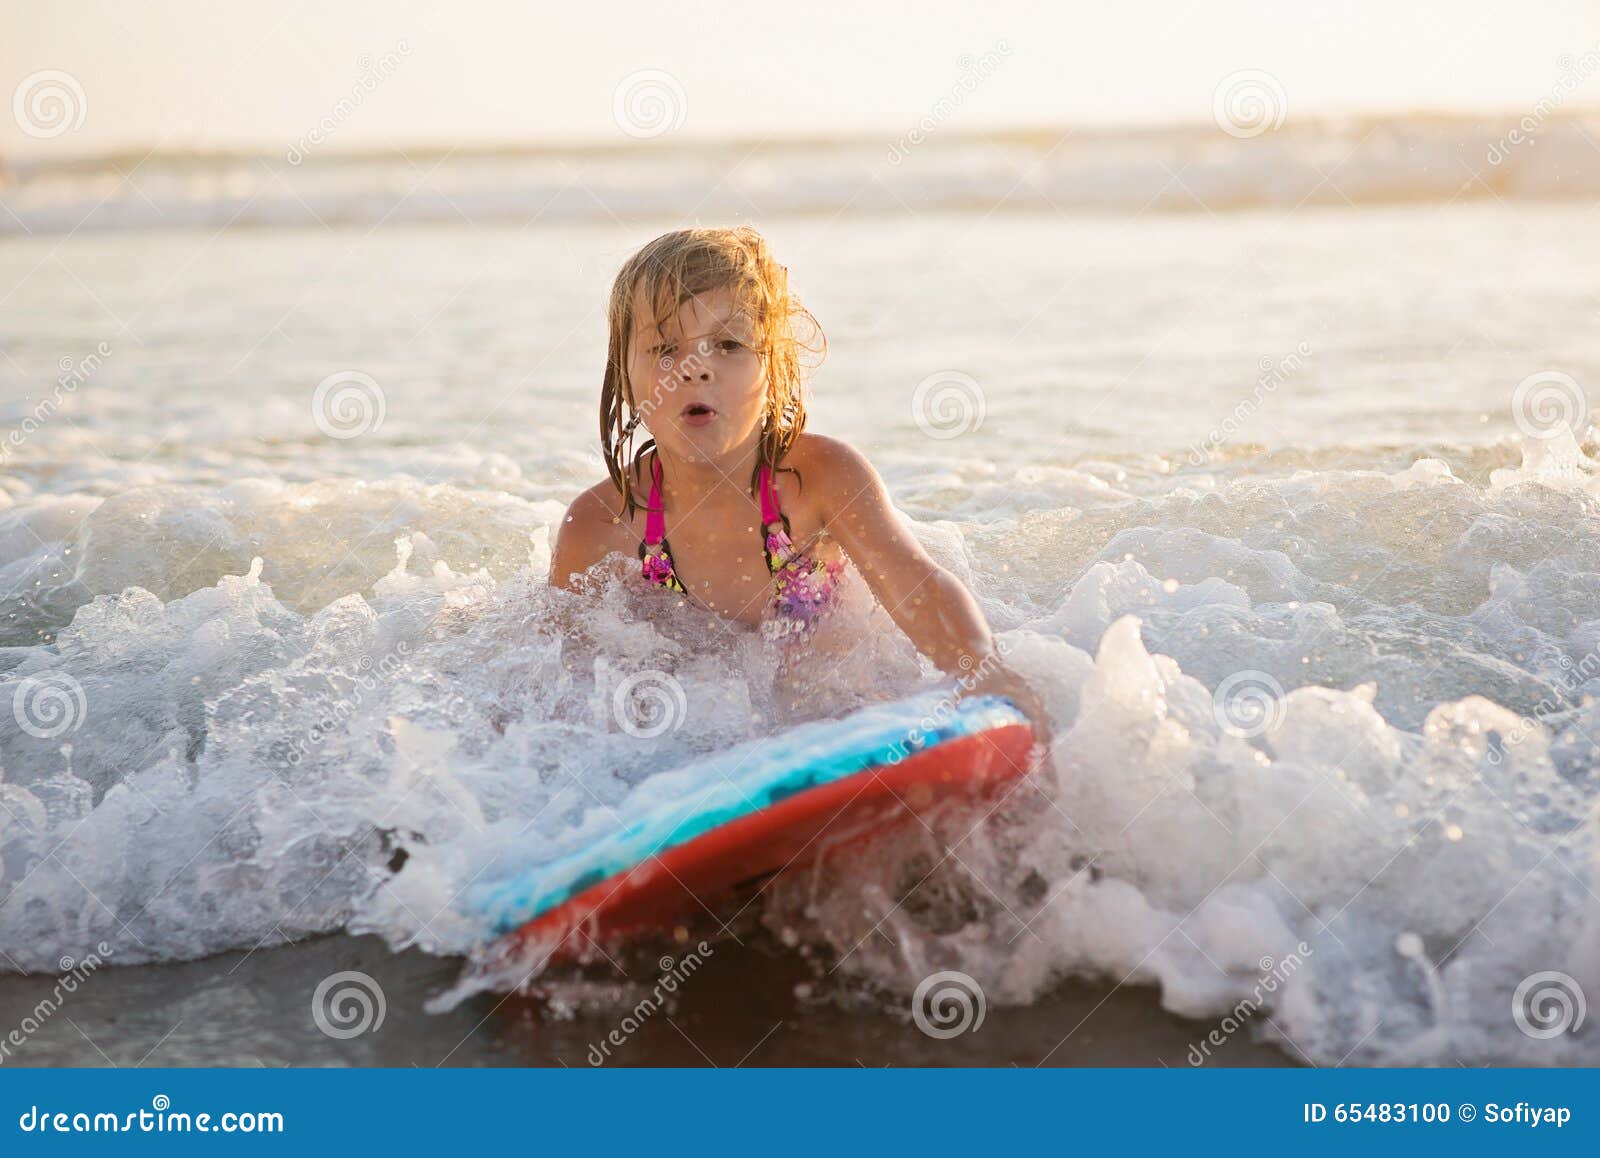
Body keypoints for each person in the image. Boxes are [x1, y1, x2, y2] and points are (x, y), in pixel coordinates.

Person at [550, 226, 1048, 741]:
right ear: (625, 377)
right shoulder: (599, 528)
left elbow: (916, 585)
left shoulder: (821, 481)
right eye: (666, 348)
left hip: (831, 722)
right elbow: (556, 685)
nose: (697, 370)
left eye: (727, 344)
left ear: (775, 366)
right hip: (686, 747)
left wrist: (980, 668)